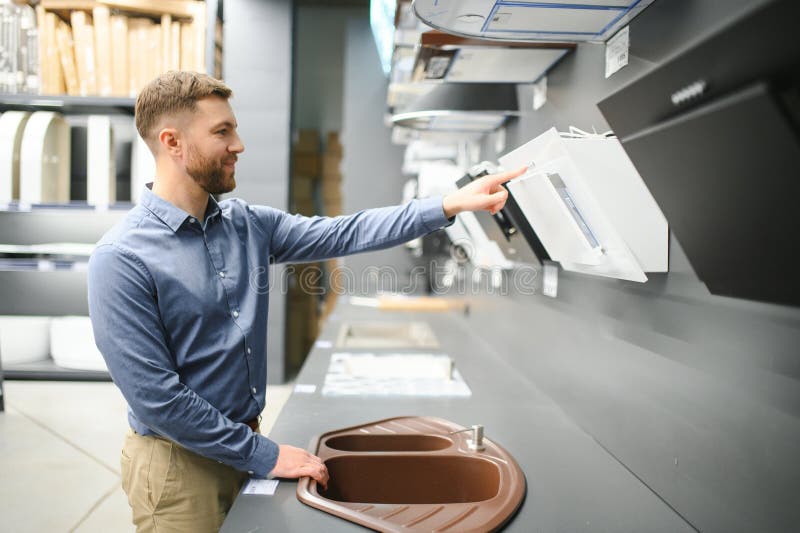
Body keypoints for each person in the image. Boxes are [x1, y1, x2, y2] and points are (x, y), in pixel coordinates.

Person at [87, 70, 523, 533]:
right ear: (172, 142)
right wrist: (265, 455)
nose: (239, 144)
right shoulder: (121, 259)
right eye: (222, 131)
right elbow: (158, 399)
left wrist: (448, 205)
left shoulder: (246, 224)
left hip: (243, 443)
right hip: (178, 467)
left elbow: (343, 231)